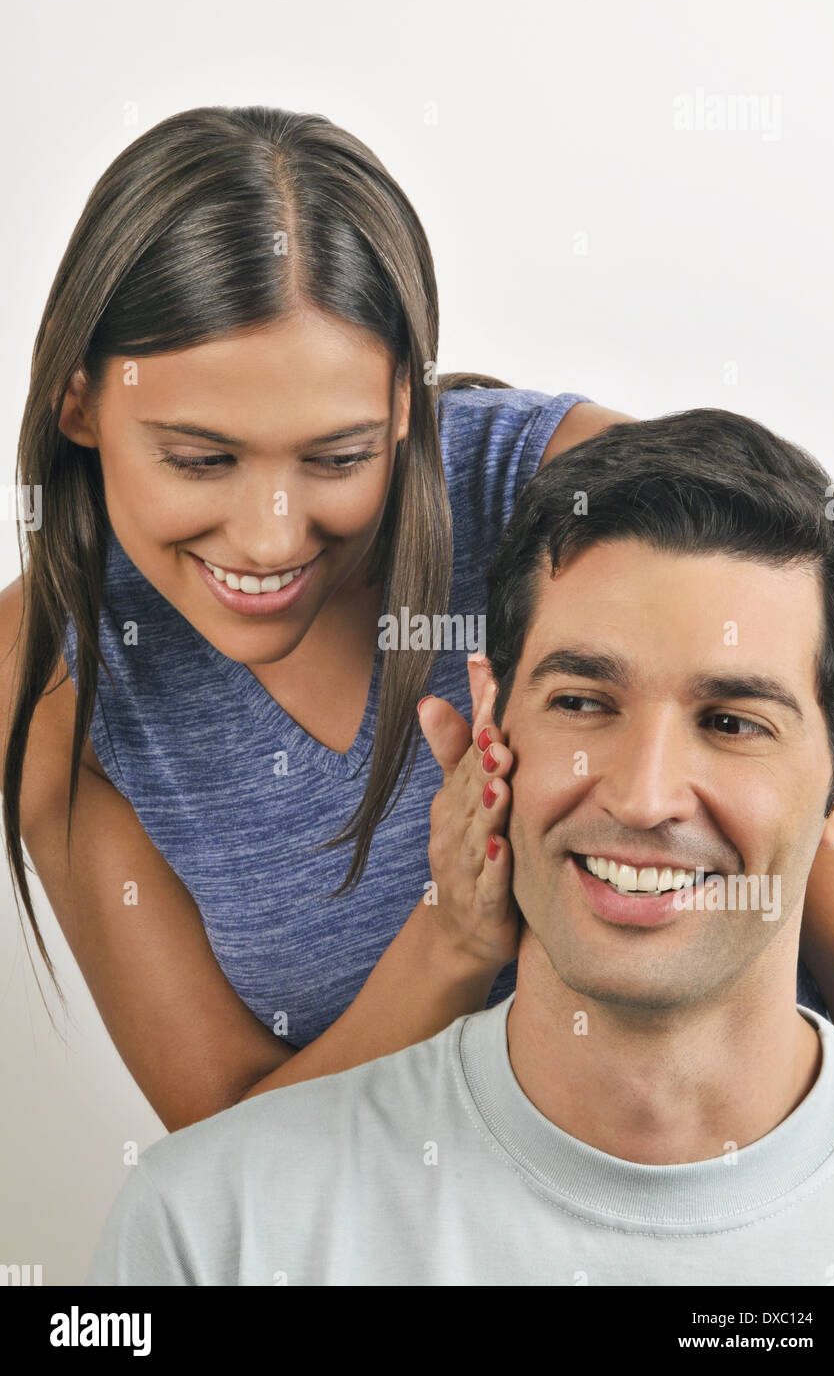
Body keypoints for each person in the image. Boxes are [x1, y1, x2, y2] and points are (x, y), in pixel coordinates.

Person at [86, 408, 834, 1286]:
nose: (643, 797)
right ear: (488, 716)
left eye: (729, 722)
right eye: (581, 703)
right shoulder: (208, 1226)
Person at [0, 102, 632, 1134]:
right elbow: (225, 1147)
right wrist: (452, 937)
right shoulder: (47, 675)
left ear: (401, 405)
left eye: (337, 457)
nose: (268, 536)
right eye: (199, 459)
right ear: (79, 407)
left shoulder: (565, 494)